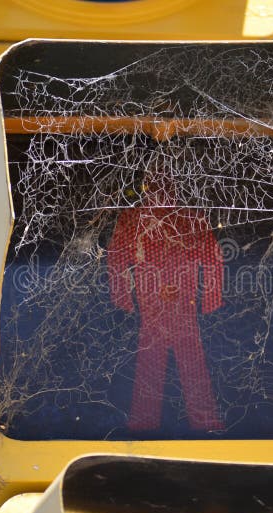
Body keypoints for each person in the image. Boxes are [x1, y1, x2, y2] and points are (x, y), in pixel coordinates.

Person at [107, 165, 224, 432]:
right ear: (147, 186)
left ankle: (202, 423)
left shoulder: (191, 218)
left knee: (189, 357)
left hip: (184, 300)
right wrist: (122, 297)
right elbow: (116, 256)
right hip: (152, 300)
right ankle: (146, 424)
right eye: (156, 184)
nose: (162, 191)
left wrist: (210, 299)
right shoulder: (133, 219)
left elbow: (213, 257)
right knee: (152, 357)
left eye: (167, 183)